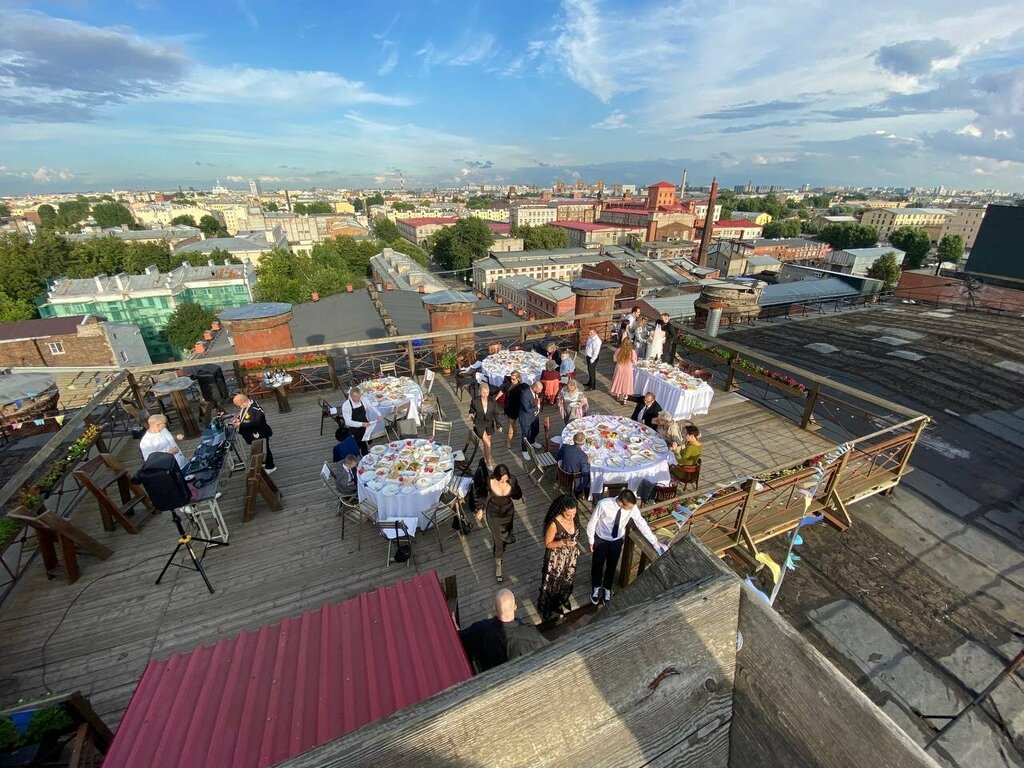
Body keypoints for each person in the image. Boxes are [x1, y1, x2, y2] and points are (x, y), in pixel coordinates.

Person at [586, 489, 662, 605]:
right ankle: (595, 587)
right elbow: (592, 523)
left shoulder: (632, 507)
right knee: (598, 564)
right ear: (621, 503)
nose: (632, 509)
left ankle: (607, 588)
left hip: (617, 540)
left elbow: (641, 523)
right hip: (601, 539)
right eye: (629, 507)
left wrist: (655, 542)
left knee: (612, 565)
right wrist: (591, 540)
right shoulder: (603, 504)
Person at [458, 589, 548, 672]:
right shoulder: (530, 633)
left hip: (491, 677)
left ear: (494, 609)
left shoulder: (482, 629)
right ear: (515, 606)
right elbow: (548, 652)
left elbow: (461, 639)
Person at [474, 464, 524, 582]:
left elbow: (517, 492)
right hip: (493, 514)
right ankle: (498, 566)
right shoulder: (489, 481)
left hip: (508, 513)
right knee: (499, 542)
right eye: (501, 480)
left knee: (505, 539)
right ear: (496, 477)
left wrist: (522, 496)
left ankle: (499, 553)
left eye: (506, 479)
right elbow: (481, 494)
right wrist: (480, 509)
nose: (504, 481)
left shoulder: (512, 480)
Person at [537, 495, 580, 620]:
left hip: (570, 556)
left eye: (574, 514)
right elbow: (548, 544)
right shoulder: (554, 524)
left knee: (567, 578)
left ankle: (562, 599)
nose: (572, 517)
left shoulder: (573, 517)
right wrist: (562, 542)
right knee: (553, 582)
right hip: (556, 558)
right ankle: (548, 606)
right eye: (568, 515)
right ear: (561, 511)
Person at [232, 392, 276, 472]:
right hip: (254, 433)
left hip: (260, 433)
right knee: (260, 450)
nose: (239, 407)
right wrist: (238, 419)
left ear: (243, 402)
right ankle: (264, 461)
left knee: (265, 449)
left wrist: (241, 425)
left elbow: (256, 423)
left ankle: (270, 466)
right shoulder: (247, 406)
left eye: (239, 405)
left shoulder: (255, 409)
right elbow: (243, 415)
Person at [340, 387, 382, 456]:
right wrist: (361, 424)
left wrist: (379, 414)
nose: (360, 399)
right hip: (355, 429)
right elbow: (348, 422)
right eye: (358, 397)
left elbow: (371, 407)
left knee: (367, 442)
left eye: (360, 396)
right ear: (352, 396)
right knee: (360, 445)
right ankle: (363, 455)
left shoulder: (363, 399)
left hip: (365, 425)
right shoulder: (346, 405)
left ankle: (368, 452)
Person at [468, 382, 502, 467]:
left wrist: (498, 424)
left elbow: (496, 414)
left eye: (487, 392)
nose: (485, 394)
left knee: (486, 444)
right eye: (483, 392)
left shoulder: (492, 401)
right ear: (480, 392)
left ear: (489, 391)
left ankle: (485, 458)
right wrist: (471, 413)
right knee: (488, 443)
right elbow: (472, 409)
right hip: (479, 423)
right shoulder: (475, 401)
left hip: (489, 424)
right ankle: (489, 461)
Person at [556, 431, 591, 497]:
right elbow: (585, 471)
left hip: (562, 475)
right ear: (584, 443)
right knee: (590, 475)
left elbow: (558, 457)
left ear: (573, 440)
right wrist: (588, 463)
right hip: (574, 480)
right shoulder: (583, 456)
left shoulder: (565, 447)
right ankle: (581, 492)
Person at [518, 380, 543, 460]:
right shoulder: (525, 394)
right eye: (540, 390)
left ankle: (532, 441)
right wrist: (537, 408)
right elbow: (527, 409)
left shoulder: (535, 392)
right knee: (525, 435)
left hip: (534, 416)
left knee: (536, 430)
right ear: (535, 387)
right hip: (526, 417)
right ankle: (524, 450)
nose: (540, 391)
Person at [500, 370, 524, 445]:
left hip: (514, 408)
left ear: (518, 379)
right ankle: (515, 432)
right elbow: (503, 390)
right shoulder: (510, 384)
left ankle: (509, 442)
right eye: (511, 378)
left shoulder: (519, 388)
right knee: (510, 422)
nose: (512, 380)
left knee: (510, 425)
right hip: (508, 406)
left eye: (513, 379)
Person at [609, 338, 637, 403]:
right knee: (626, 383)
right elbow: (634, 361)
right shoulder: (632, 351)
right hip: (628, 369)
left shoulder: (619, 350)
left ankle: (618, 395)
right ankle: (625, 399)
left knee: (619, 381)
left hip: (619, 368)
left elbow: (614, 360)